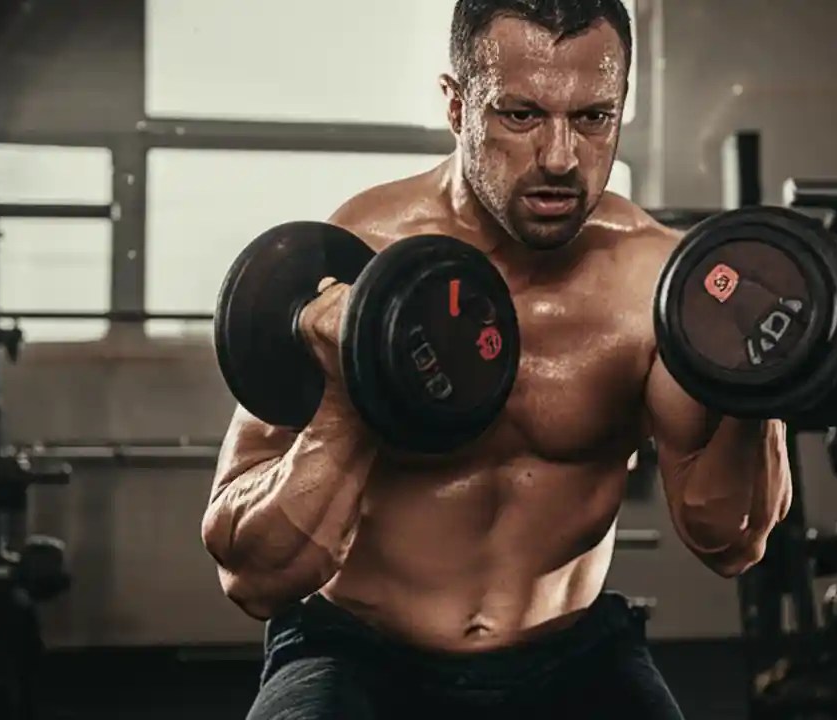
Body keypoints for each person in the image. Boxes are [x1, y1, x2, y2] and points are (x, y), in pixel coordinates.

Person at [201, 1, 791, 717]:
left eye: (593, 117)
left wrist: (755, 381)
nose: (560, 159)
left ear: (622, 105)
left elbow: (728, 544)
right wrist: (346, 395)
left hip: (570, 653)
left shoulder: (655, 285)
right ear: (456, 106)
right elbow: (251, 574)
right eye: (520, 115)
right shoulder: (358, 252)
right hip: (359, 651)